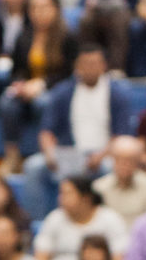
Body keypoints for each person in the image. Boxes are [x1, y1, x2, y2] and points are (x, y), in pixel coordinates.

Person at [31, 45, 132, 193]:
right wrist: (50, 153)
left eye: (94, 64)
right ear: (77, 66)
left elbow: (121, 136)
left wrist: (101, 156)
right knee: (34, 167)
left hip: (105, 155)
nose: (89, 68)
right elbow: (46, 131)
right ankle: (38, 216)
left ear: (104, 66)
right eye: (85, 64)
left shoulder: (117, 94)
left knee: (111, 167)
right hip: (70, 153)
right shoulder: (62, 93)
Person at [0, 0, 77, 161]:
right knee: (6, 102)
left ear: (56, 9)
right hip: (27, 88)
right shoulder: (24, 36)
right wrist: (20, 85)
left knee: (43, 102)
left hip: (55, 89)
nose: (39, 12)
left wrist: (42, 84)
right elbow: (16, 70)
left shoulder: (68, 36)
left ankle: (44, 153)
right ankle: (12, 154)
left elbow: (69, 73)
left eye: (45, 7)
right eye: (35, 8)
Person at [33, 171, 126, 260]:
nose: (61, 198)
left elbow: (118, 259)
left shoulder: (110, 219)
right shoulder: (54, 218)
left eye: (67, 193)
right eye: (60, 193)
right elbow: (41, 258)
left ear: (86, 198)